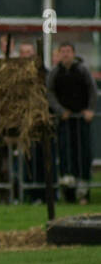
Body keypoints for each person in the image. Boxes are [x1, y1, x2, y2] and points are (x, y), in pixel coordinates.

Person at [47, 42, 96, 203]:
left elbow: (92, 90)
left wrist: (90, 110)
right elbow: (51, 94)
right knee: (66, 154)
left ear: (74, 53)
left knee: (82, 154)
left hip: (81, 119)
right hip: (64, 121)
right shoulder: (55, 73)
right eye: (63, 51)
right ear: (59, 54)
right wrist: (60, 111)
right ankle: (68, 193)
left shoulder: (82, 70)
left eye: (68, 51)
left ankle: (83, 193)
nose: (66, 54)